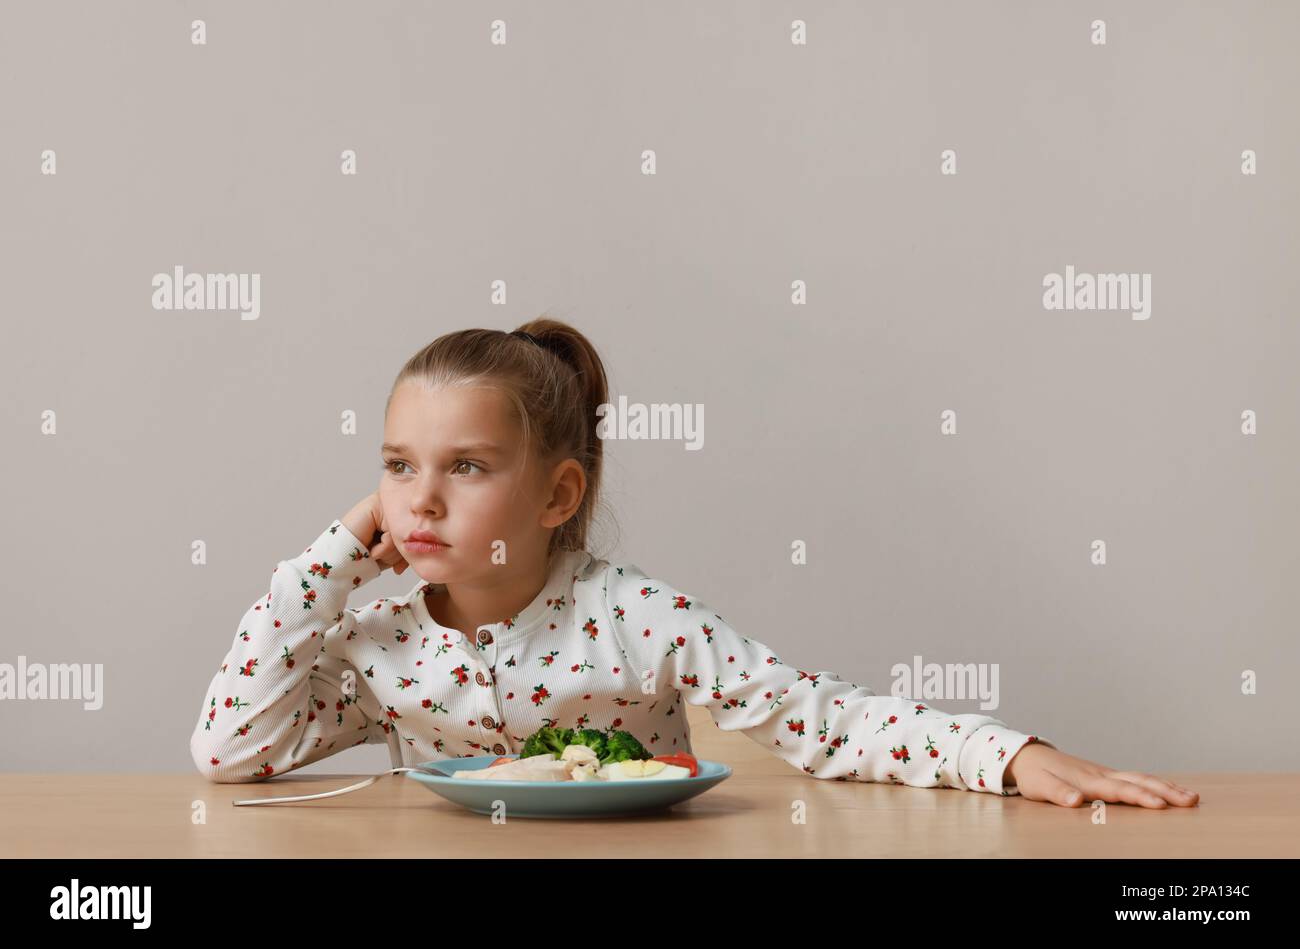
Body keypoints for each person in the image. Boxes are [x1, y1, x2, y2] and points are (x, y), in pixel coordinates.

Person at [189, 320, 1198, 809]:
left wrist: (1005, 755)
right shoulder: (384, 648)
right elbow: (232, 752)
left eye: (466, 466)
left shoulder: (636, 623)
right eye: (397, 467)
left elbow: (825, 719)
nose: (420, 498)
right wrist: (330, 558)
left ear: (556, 496)